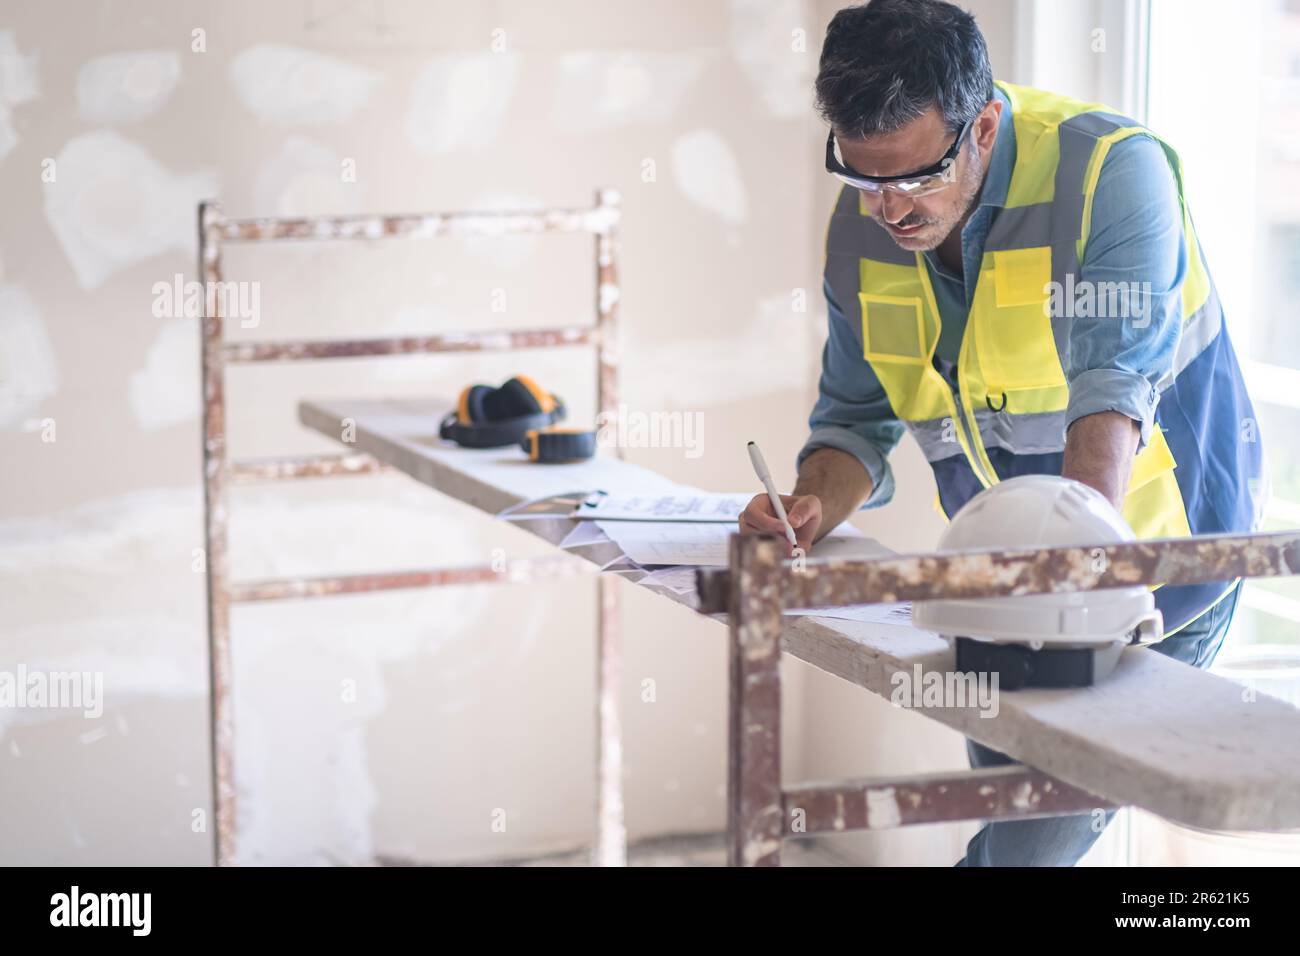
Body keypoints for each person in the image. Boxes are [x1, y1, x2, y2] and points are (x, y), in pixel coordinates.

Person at [737, 0, 1266, 866]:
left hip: (1155, 568)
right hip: (1001, 597)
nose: (887, 210)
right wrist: (806, 508)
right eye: (862, 177)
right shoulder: (861, 235)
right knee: (1013, 822)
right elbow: (853, 422)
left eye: (915, 177)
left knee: (1025, 851)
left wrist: (1073, 588)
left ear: (983, 123)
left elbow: (1112, 396)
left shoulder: (1109, 173)